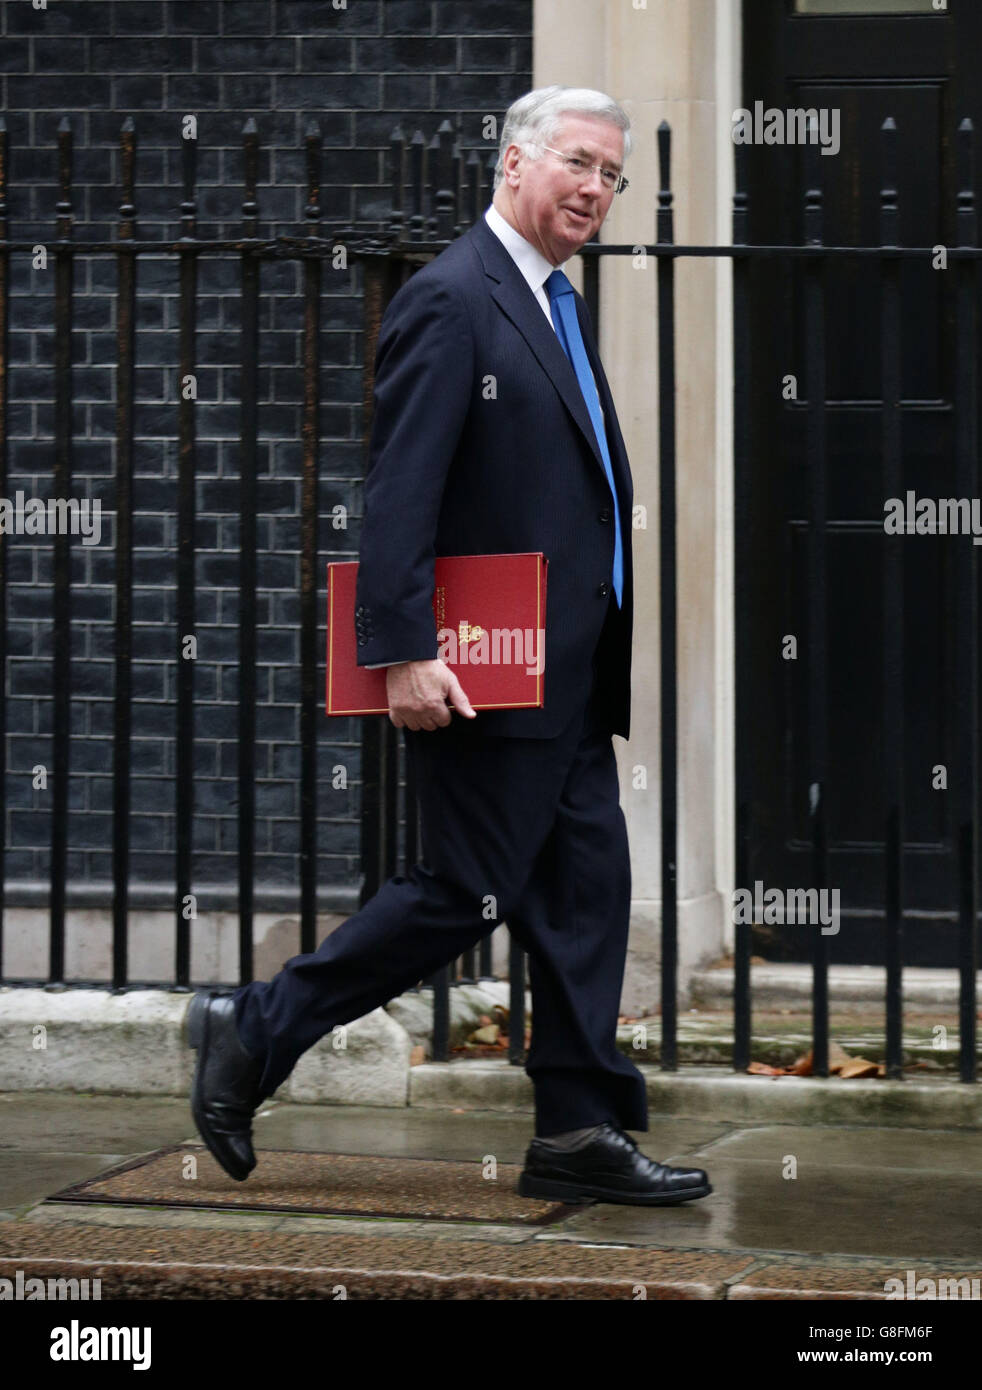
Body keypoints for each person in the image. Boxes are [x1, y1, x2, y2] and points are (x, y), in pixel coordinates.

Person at [188, 85, 711, 1208]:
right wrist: (403, 650)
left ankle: (576, 1128)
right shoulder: (453, 297)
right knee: (460, 892)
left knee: (585, 890)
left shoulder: (550, 301)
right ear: (514, 161)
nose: (595, 189)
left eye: (611, 175)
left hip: (565, 673)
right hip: (481, 672)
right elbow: (399, 492)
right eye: (578, 161)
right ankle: (254, 1026)